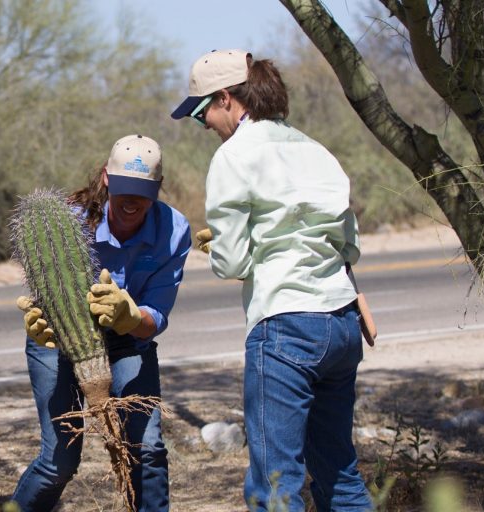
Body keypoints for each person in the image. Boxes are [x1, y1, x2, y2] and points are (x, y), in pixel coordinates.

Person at [171, 50, 372, 511]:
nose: (204, 125)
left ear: (226, 98)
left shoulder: (233, 156)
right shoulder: (316, 149)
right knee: (339, 474)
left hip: (285, 325)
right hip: (341, 323)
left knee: (275, 484)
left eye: (202, 112)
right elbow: (350, 246)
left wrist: (223, 246)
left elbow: (232, 262)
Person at [12, 134, 192, 512]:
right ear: (107, 178)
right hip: (59, 339)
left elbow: (156, 315)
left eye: (143, 191)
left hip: (127, 338)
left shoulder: (173, 230)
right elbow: (46, 291)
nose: (132, 200)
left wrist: (130, 316)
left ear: (158, 187)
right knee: (58, 462)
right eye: (124, 187)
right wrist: (40, 321)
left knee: (148, 448)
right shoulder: (68, 221)